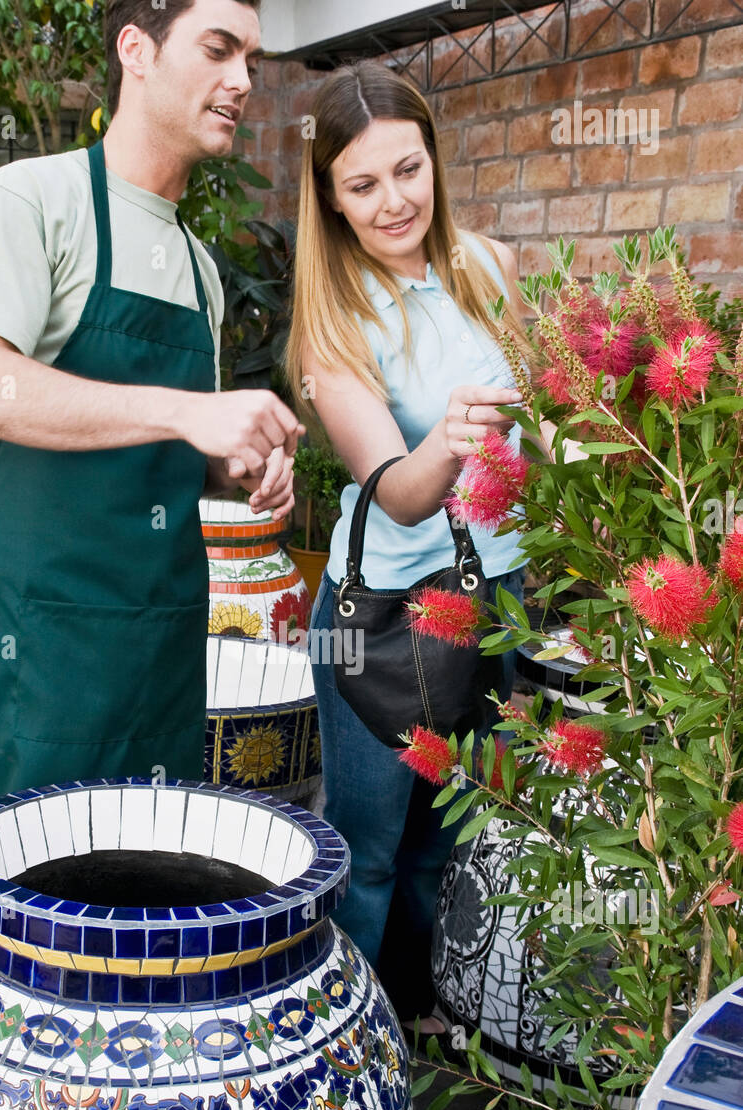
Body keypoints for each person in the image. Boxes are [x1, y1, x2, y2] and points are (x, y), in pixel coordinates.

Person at [0, 0, 300, 821]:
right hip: (43, 649)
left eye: (253, 63)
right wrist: (185, 411)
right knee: (26, 904)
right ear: (138, 49)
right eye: (219, 50)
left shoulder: (198, 268)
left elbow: (164, 445)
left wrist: (240, 464)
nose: (241, 82)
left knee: (142, 899)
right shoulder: (30, 200)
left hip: (159, 651)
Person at [285, 61, 536, 1033]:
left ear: (432, 159)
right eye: (361, 184)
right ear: (331, 200)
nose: (392, 200)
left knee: (454, 834)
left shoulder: (484, 264)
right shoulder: (333, 323)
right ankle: (346, 1037)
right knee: (372, 845)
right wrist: (450, 433)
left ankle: (424, 1017)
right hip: (381, 622)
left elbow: (537, 420)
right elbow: (396, 494)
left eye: (406, 168)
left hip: (496, 597)